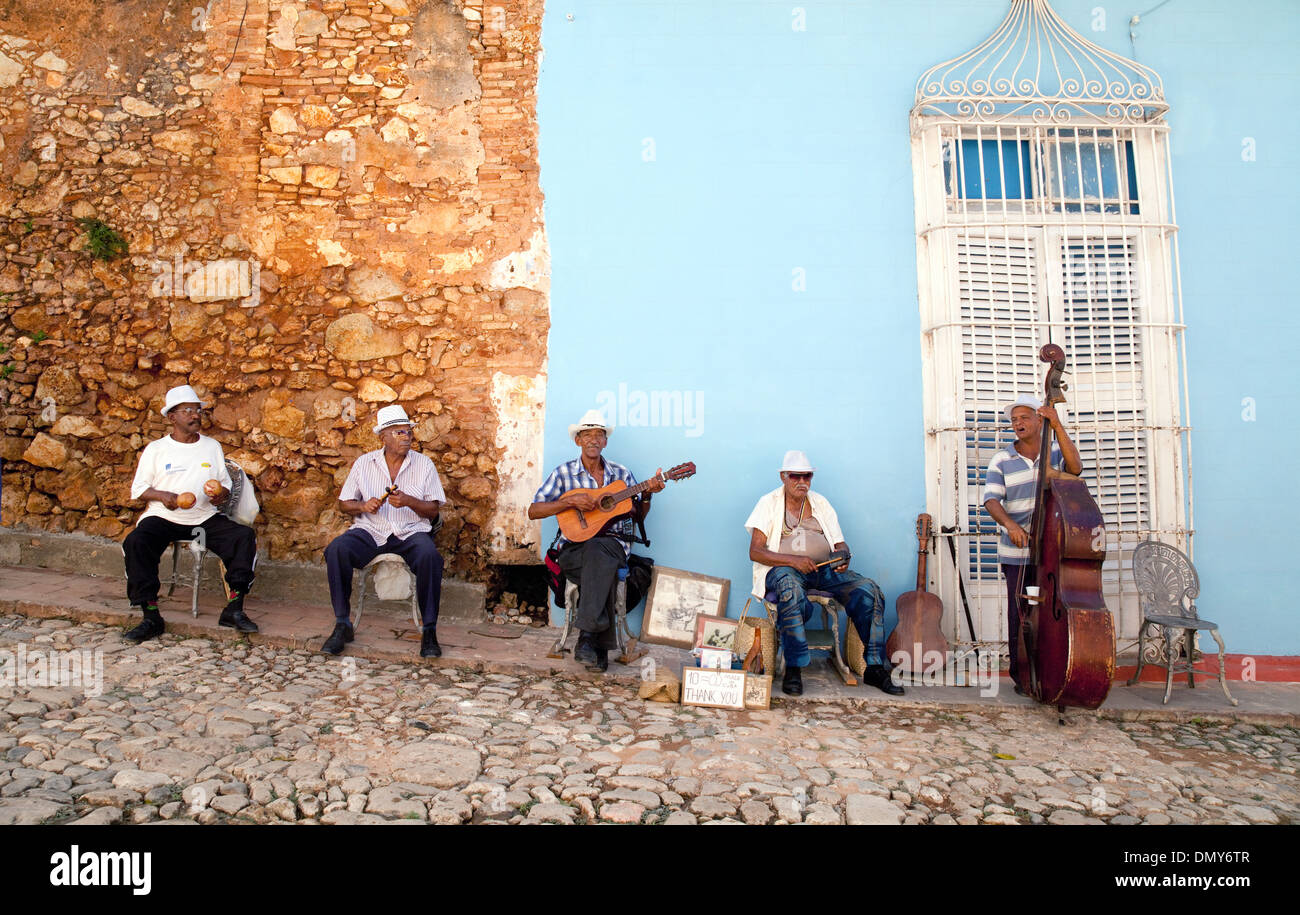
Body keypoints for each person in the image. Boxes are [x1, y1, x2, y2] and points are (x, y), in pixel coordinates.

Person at [745, 451, 903, 697]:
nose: (801, 481)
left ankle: (873, 667)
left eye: (806, 476)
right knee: (790, 588)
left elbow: (841, 545)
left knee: (868, 590)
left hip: (822, 569)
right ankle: (794, 668)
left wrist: (843, 557)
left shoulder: (821, 503)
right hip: (784, 570)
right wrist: (794, 561)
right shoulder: (768, 503)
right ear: (783, 476)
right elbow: (755, 551)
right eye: (795, 476)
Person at [528, 409, 664, 672]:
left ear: (605, 442)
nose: (593, 440)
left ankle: (587, 640)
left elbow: (638, 515)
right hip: (573, 549)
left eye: (599, 435)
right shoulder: (563, 473)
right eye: (587, 434)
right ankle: (596, 644)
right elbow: (534, 510)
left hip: (613, 546)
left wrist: (648, 494)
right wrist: (567, 501)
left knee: (600, 551)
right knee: (598, 559)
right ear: (578, 440)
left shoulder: (621, 474)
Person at [122, 384, 258, 643]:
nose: (195, 415)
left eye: (197, 410)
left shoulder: (211, 447)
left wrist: (221, 495)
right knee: (137, 541)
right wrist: (166, 497)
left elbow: (224, 486)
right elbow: (139, 489)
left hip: (203, 518)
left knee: (242, 537)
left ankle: (234, 608)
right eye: (188, 411)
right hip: (164, 517)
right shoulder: (156, 449)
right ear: (172, 417)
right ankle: (150, 615)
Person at [322, 404, 446, 658]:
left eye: (408, 432)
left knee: (430, 557)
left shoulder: (424, 465)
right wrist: (362, 505)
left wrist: (410, 501)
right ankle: (342, 623)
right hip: (371, 530)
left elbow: (433, 510)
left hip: (410, 532)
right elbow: (344, 504)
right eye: (399, 433)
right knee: (337, 550)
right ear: (383, 437)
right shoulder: (364, 463)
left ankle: (429, 630)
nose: (406, 437)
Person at [982, 394, 1083, 695]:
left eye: (1025, 417)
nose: (1018, 424)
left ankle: (1055, 670)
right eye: (1014, 420)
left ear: (1040, 420)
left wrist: (1058, 425)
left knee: (1056, 613)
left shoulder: (1054, 452)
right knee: (1021, 615)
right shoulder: (1002, 459)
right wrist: (1011, 526)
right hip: (1017, 553)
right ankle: (1022, 676)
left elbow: (1075, 469)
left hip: (1053, 549)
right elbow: (991, 500)